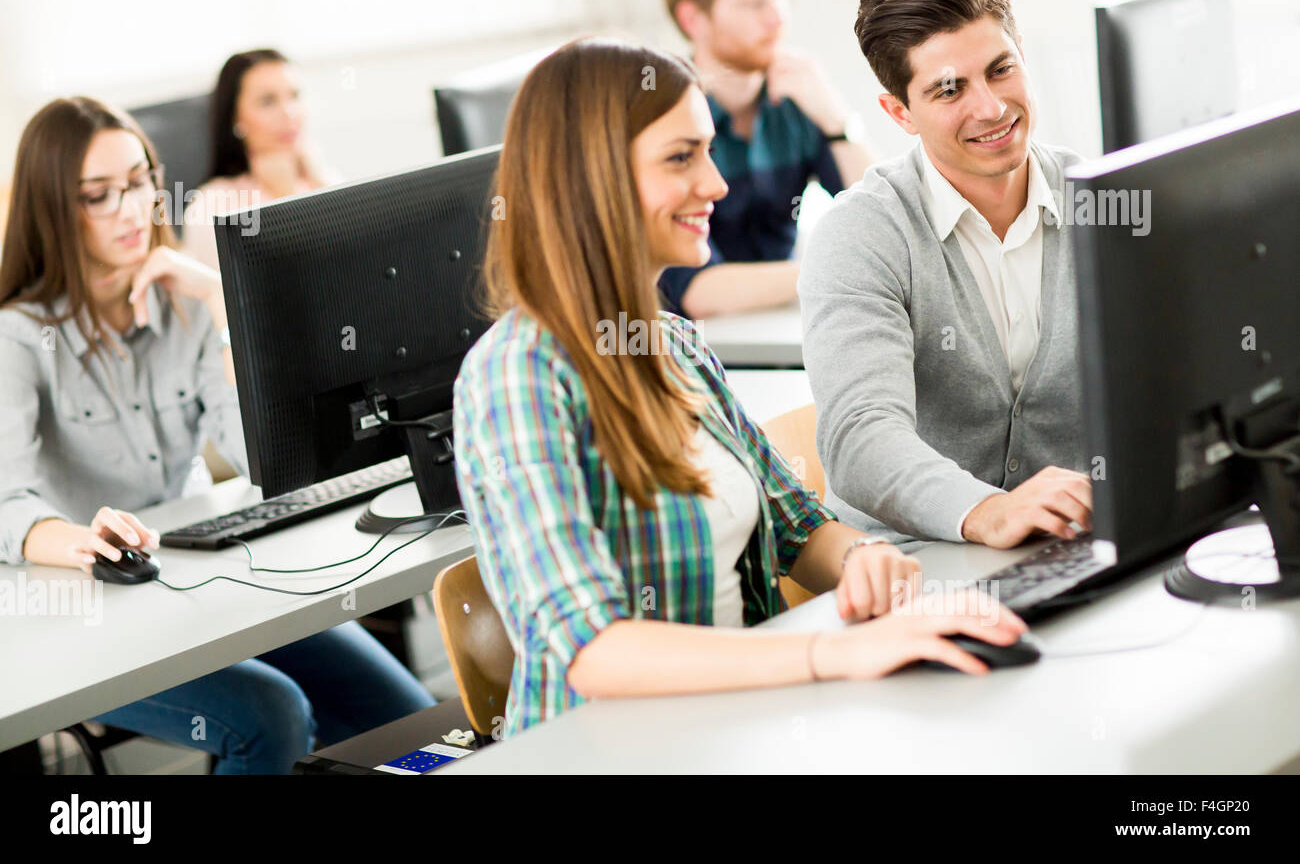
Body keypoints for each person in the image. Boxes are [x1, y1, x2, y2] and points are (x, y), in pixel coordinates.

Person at [452, 38, 1026, 737]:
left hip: (742, 726)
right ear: (589, 180)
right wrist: (832, 653)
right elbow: (592, 650)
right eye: (680, 157)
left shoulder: (674, 345)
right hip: (614, 751)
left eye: (709, 151)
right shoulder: (517, 375)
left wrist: (865, 563)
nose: (717, 185)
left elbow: (796, 530)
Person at [0, 97, 433, 773]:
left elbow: (262, 459)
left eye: (140, 181)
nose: (131, 208)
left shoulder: (183, 304)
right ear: (54, 208)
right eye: (97, 195)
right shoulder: (19, 337)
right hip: (85, 619)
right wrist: (89, 543)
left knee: (411, 721)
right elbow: (6, 503)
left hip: (196, 588)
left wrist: (219, 301)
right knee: (271, 717)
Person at [800, 0, 1092, 551]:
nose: (989, 107)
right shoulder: (861, 235)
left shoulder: (1104, 201)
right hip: (917, 564)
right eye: (948, 90)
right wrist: (989, 511)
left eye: (1001, 69)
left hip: (1072, 546)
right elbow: (861, 438)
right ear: (899, 112)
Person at [655, 0, 877, 319]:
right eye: (754, 4)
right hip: (696, 347)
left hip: (783, 320)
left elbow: (879, 221)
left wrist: (835, 120)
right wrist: (838, 270)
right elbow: (698, 291)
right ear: (693, 20)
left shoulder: (797, 99)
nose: (776, 18)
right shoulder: (658, 119)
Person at [182, 49, 336, 271]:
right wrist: (286, 195)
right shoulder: (212, 207)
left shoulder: (320, 177)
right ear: (234, 117)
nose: (289, 112)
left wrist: (319, 180)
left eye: (294, 96)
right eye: (267, 102)